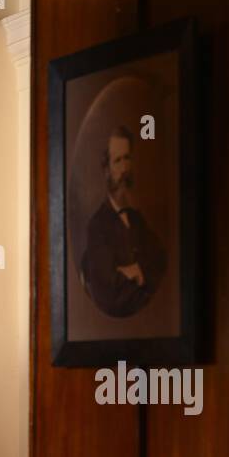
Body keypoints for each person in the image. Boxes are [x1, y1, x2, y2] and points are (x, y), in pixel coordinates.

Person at [79, 125, 167, 317]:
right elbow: (108, 291)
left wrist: (134, 271)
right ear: (106, 170)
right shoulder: (97, 226)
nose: (125, 168)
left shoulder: (137, 219)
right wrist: (143, 274)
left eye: (127, 158)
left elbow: (161, 261)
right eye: (117, 161)